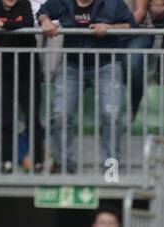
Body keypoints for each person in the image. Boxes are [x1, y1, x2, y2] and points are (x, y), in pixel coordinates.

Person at [37, 0, 134, 176]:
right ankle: (66, 165)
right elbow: (43, 12)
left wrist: (109, 28)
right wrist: (45, 21)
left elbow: (130, 24)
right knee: (61, 114)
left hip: (107, 64)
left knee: (112, 114)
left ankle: (111, 167)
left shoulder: (113, 2)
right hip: (72, 65)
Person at [0, 0, 45, 174]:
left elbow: (26, 24)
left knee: (31, 114)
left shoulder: (24, 4)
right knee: (6, 116)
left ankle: (38, 161)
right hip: (6, 64)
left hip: (28, 65)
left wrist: (1, 24)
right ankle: (6, 161)